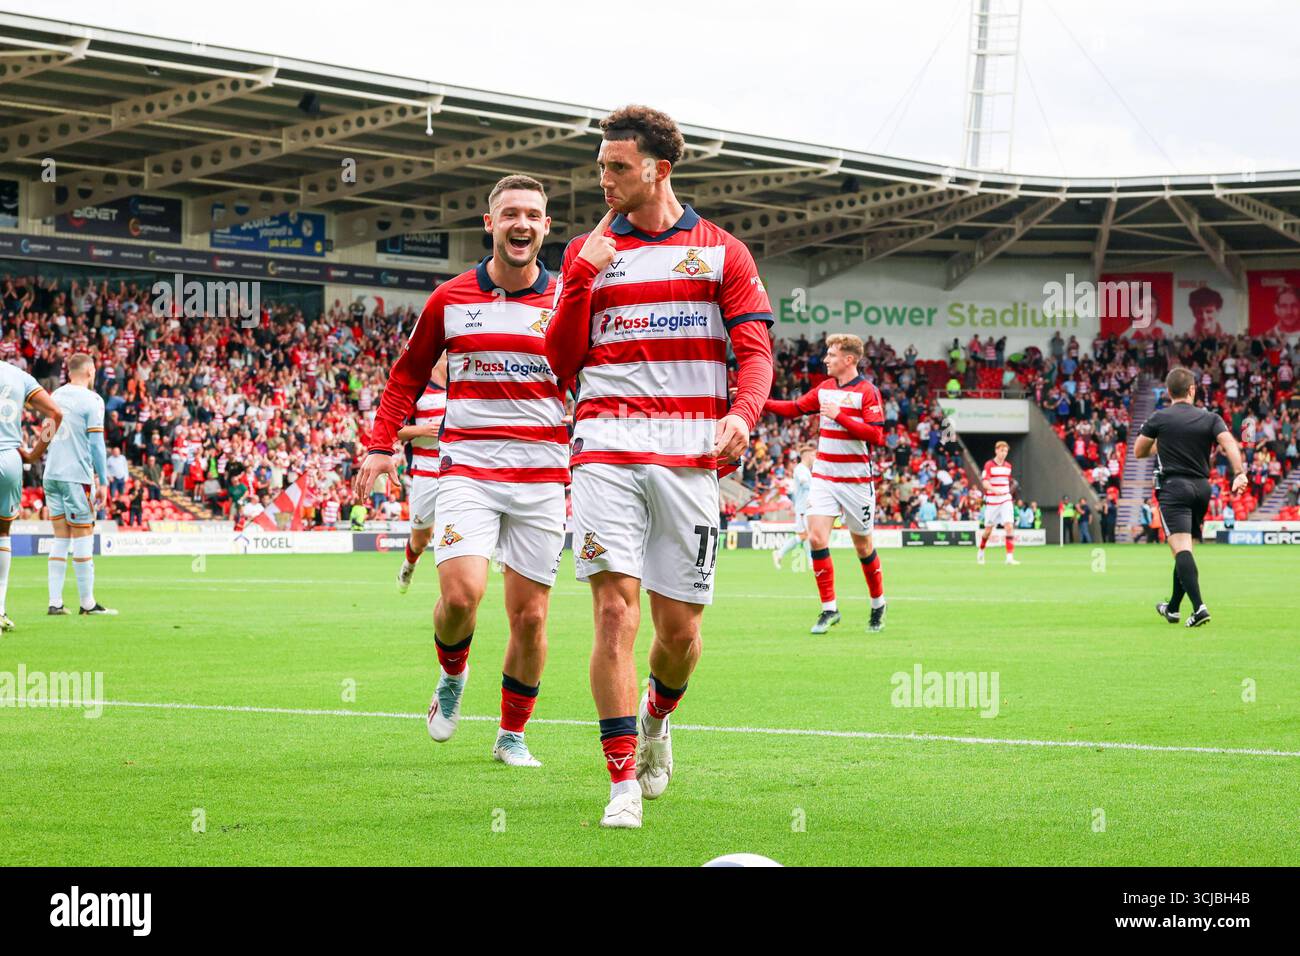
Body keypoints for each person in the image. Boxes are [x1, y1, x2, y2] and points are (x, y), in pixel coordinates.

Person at [544, 105, 774, 829]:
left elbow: (757, 353)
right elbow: (558, 362)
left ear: (659, 170)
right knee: (614, 612)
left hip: (689, 458)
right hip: (604, 450)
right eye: (600, 166)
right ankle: (619, 784)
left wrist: (743, 414)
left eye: (618, 167)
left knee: (678, 634)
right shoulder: (588, 250)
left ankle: (656, 716)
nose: (604, 179)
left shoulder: (720, 252)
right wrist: (580, 280)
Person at [354, 174, 568, 771]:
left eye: (533, 214)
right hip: (468, 468)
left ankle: (511, 734)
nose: (521, 223)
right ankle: (452, 675)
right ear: (490, 224)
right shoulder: (450, 299)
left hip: (544, 476)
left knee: (530, 617)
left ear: (546, 227)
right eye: (509, 214)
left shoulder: (566, 300)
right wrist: (380, 445)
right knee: (461, 595)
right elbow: (407, 374)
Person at [762, 335, 887, 632]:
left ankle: (878, 602)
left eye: (832, 355)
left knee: (863, 546)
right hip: (825, 478)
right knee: (817, 538)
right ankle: (829, 608)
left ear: (849, 360)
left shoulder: (868, 392)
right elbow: (793, 408)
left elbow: (876, 436)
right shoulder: (824, 389)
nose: (826, 359)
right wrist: (758, 401)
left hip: (856, 482)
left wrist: (840, 416)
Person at [1136, 366, 1247, 628]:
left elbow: (1140, 451)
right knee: (1184, 548)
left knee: (1181, 549)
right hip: (1202, 489)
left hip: (1174, 488)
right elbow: (1229, 443)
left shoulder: (1159, 418)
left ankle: (1199, 608)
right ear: (1192, 389)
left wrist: (1162, 441)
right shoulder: (1211, 418)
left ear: (1168, 391)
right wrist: (1239, 472)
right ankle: (1173, 608)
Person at [44, 353, 116, 616]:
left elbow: (45, 433)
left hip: (51, 475)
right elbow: (97, 444)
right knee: (83, 536)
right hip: (76, 476)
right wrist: (104, 480)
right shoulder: (92, 400)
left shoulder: (54, 396)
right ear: (89, 371)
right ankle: (87, 603)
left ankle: (55, 603)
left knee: (60, 537)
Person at [0, 359, 62, 629]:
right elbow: (55, 414)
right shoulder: (18, 375)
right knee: (3, 533)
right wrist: (35, 453)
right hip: (9, 459)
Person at [395, 354, 447, 593]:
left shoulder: (466, 384)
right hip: (425, 472)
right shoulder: (420, 387)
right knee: (421, 540)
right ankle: (409, 565)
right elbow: (395, 429)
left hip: (459, 470)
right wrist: (423, 429)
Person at [772, 446, 815, 570]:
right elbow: (803, 481)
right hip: (802, 507)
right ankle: (781, 553)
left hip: (805, 507)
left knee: (805, 535)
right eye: (812, 455)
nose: (814, 458)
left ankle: (781, 554)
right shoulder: (801, 469)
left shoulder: (805, 469)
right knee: (805, 535)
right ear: (806, 455)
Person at [977, 440, 1019, 565]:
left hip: (1005, 499)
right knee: (988, 530)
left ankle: (1009, 558)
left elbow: (1007, 482)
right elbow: (985, 483)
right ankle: (981, 550)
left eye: (1006, 451)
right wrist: (995, 490)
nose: (1004, 453)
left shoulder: (1008, 466)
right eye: (1001, 450)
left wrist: (1009, 490)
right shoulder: (989, 465)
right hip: (992, 501)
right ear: (996, 451)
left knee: (1009, 526)